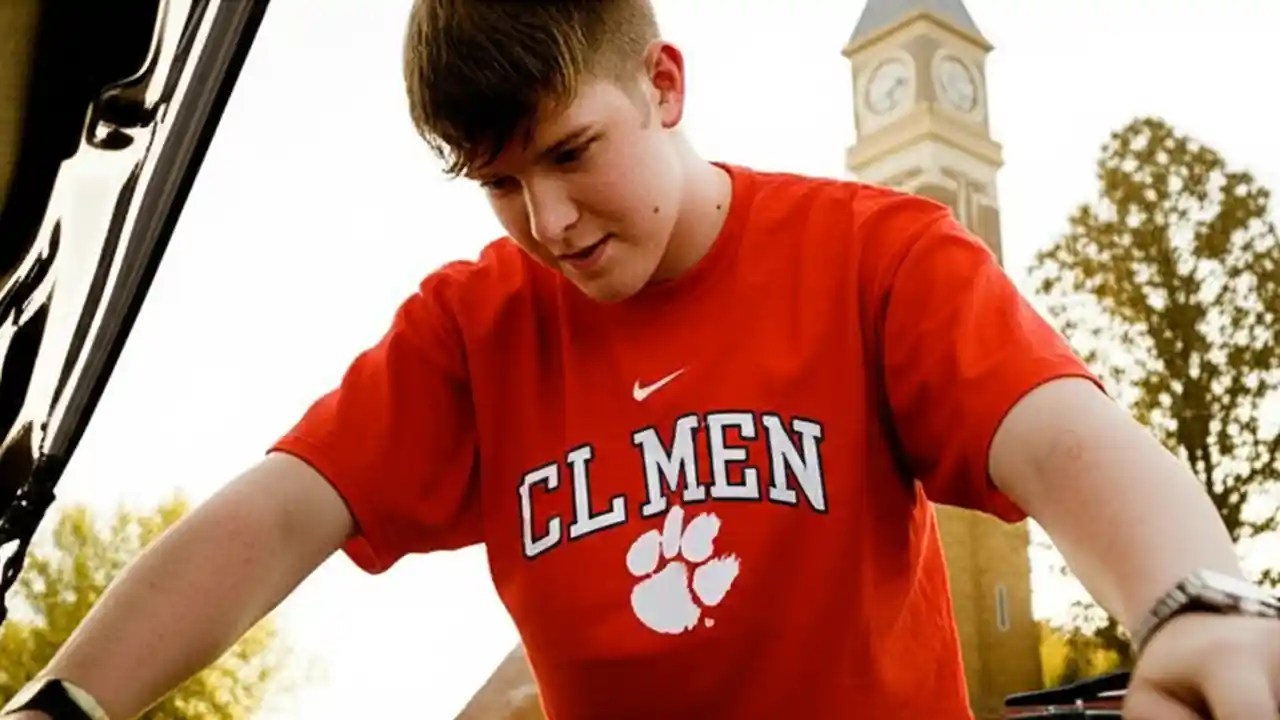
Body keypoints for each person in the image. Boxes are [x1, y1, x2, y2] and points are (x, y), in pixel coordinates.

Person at [5, 1, 1279, 718]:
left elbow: (1062, 433)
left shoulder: (871, 256)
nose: (547, 224)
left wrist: (1194, 601)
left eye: (569, 153)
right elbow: (277, 513)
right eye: (496, 183)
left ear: (663, 83)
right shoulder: (470, 327)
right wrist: (63, 710)